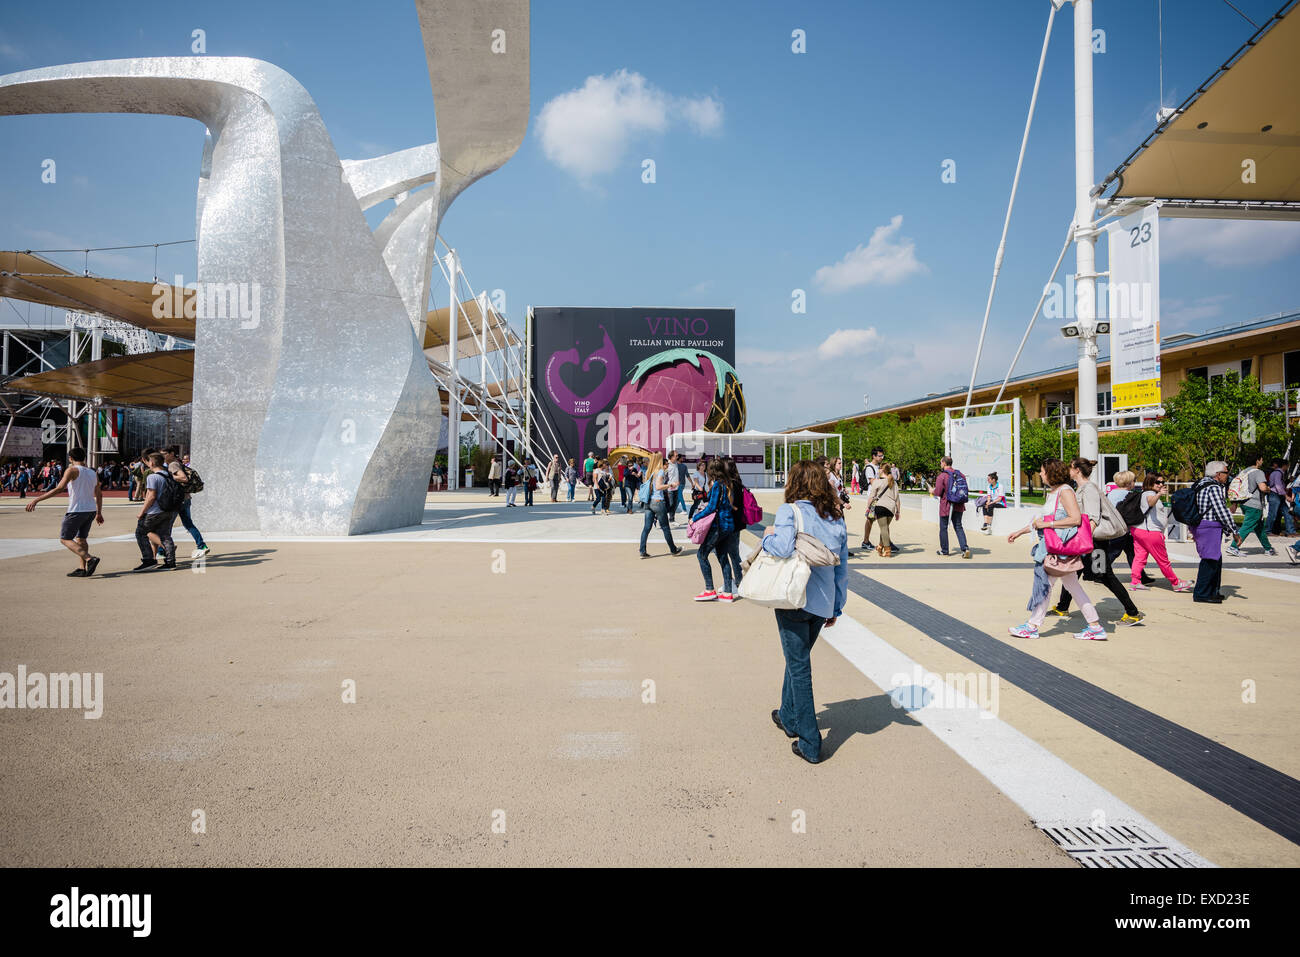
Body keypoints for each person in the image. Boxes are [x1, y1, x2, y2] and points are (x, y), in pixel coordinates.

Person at [763, 460, 848, 764]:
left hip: (794, 599)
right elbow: (842, 568)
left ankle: (810, 742)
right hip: (822, 601)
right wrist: (837, 604)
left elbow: (782, 547)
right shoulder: (836, 516)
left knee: (799, 667)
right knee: (796, 659)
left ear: (794, 482)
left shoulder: (791, 510)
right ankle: (788, 716)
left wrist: (767, 535)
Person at [1007, 458, 1106, 640]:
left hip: (1058, 549)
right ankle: (1095, 626)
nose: (1040, 474)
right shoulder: (1054, 492)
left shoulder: (1065, 491)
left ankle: (1032, 626)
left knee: (1045, 585)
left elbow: (1075, 519)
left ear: (1051, 472)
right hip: (1054, 547)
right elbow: (1041, 522)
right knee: (1073, 587)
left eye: (1042, 471)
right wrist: (1020, 531)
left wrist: (1049, 524)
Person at [1051, 457, 1144, 626]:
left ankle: (1133, 612)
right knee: (1072, 572)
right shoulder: (1081, 489)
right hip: (1089, 541)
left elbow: (1092, 518)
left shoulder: (1089, 489)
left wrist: (1083, 541)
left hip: (1095, 542)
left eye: (1070, 468)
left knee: (1105, 576)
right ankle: (1062, 606)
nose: (1068, 471)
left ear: (1077, 470)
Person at [24, 448, 104, 577]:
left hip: (76, 510)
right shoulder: (92, 472)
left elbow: (59, 488)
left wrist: (37, 499)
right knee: (81, 539)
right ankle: (82, 568)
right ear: (84, 458)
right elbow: (99, 494)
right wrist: (99, 512)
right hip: (90, 510)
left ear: (70, 458)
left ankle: (90, 559)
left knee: (65, 539)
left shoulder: (72, 470)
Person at [690, 459, 743, 602]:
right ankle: (727, 592)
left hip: (718, 527)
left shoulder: (717, 485)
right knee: (722, 556)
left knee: (701, 555)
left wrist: (694, 518)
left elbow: (712, 507)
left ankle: (709, 589)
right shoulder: (727, 483)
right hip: (728, 526)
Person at [1129, 473, 1192, 592]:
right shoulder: (1149, 494)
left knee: (1140, 557)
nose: (1161, 484)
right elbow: (1150, 502)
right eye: (1157, 482)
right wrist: (1158, 494)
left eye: (1162, 482)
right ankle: (1176, 583)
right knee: (1163, 560)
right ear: (1150, 482)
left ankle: (1135, 581)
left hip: (1139, 530)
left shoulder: (1145, 493)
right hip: (1150, 532)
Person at [1193, 462, 1243, 603]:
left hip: (1204, 526)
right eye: (1226, 472)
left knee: (1215, 560)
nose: (1228, 475)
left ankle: (1213, 591)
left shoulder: (1201, 483)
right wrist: (1234, 530)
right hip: (1209, 526)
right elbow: (1221, 511)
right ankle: (1202, 593)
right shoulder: (1213, 487)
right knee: (1209, 561)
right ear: (1218, 474)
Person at [133, 452, 179, 571]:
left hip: (155, 511)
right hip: (168, 509)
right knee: (165, 535)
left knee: (141, 532)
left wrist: (142, 512)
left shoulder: (152, 477)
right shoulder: (169, 475)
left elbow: (151, 496)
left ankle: (149, 560)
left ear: (152, 463)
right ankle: (170, 561)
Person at [163, 445, 208, 555]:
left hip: (178, 500)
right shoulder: (177, 463)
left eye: (165, 454)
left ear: (172, 453)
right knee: (188, 523)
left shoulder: (173, 465)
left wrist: (168, 476)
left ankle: (163, 549)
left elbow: (184, 478)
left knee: (166, 526)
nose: (163, 456)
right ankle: (201, 545)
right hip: (185, 498)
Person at [638, 452, 682, 559]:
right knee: (666, 528)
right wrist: (671, 484)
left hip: (648, 502)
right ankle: (673, 549)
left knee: (646, 528)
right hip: (658, 502)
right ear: (659, 460)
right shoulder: (660, 471)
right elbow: (658, 487)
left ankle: (642, 550)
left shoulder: (649, 471)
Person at [1227, 453, 1273, 556]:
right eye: (1261, 459)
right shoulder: (1258, 472)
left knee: (1259, 527)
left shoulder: (1243, 472)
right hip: (1254, 504)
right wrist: (1269, 489)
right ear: (1257, 460)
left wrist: (1234, 504)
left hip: (1244, 503)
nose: (1262, 461)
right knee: (1247, 526)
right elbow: (1262, 488)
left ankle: (1268, 548)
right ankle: (1234, 546)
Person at [928, 455, 970, 559]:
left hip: (946, 506)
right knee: (958, 526)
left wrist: (931, 491)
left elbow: (938, 492)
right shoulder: (960, 474)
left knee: (943, 528)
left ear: (944, 463)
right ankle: (965, 548)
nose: (940, 464)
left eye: (941, 462)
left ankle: (945, 550)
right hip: (959, 505)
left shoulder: (942, 476)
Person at [863, 461, 901, 557]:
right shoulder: (893, 483)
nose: (878, 470)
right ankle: (880, 546)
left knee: (883, 528)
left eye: (880, 468)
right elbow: (897, 499)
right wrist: (898, 512)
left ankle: (887, 550)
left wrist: (868, 508)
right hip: (891, 508)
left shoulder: (877, 482)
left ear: (882, 470)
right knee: (884, 527)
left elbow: (871, 497)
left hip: (881, 506)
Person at [859, 447, 885, 548]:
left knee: (881, 519)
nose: (881, 457)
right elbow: (873, 482)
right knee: (871, 519)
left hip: (879, 496)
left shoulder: (878, 467)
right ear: (874, 456)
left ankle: (881, 542)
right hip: (873, 497)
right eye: (879, 456)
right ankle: (866, 541)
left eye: (882, 455)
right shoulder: (870, 467)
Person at [1265, 458, 1295, 537]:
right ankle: (1267, 531)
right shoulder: (1278, 473)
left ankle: (1290, 531)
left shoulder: (1279, 473)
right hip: (1275, 495)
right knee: (1272, 514)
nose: (1287, 468)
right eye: (1287, 466)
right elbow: (1278, 486)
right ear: (1284, 466)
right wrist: (1286, 496)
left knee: (1287, 513)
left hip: (1278, 496)